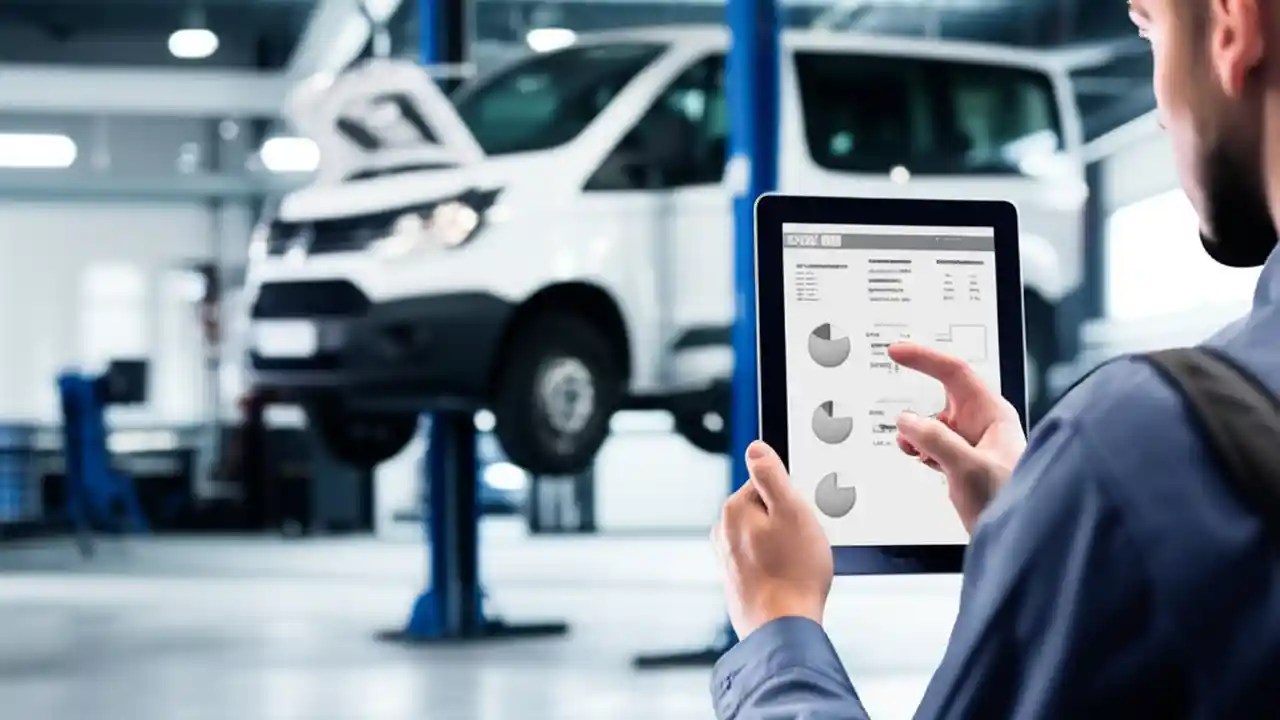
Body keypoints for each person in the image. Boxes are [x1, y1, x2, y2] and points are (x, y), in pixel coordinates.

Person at [710, 1, 1280, 717]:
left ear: (1232, 25)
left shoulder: (1142, 449)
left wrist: (778, 628)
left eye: (1149, 29)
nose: (1163, 110)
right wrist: (1046, 537)